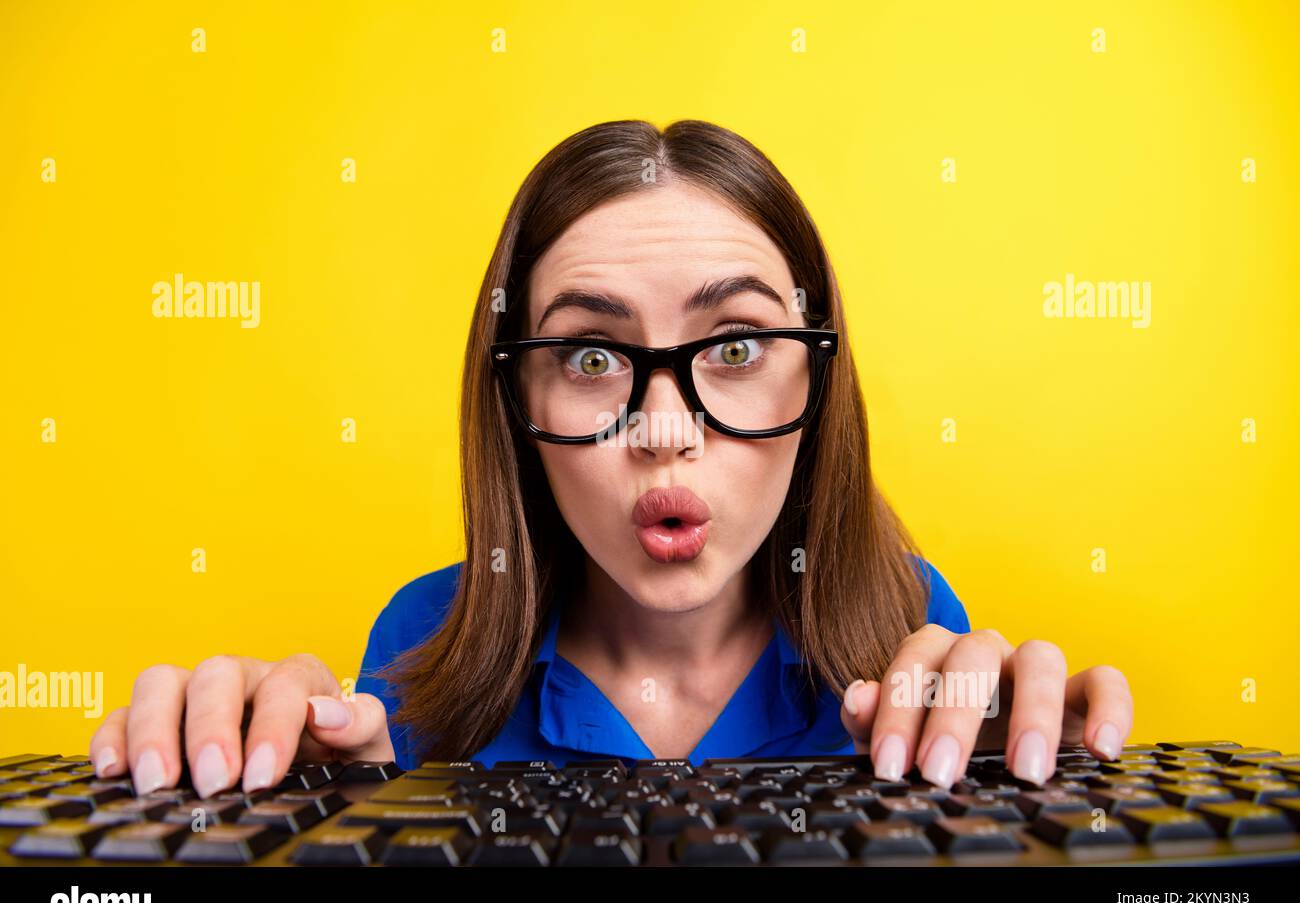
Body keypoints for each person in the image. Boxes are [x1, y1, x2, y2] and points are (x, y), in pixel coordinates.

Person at [88, 120, 1133, 800]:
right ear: (515, 398)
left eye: (734, 346)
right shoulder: (417, 649)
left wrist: (1024, 812)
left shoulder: (912, 626)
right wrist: (300, 811)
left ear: (814, 385)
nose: (664, 430)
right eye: (592, 355)